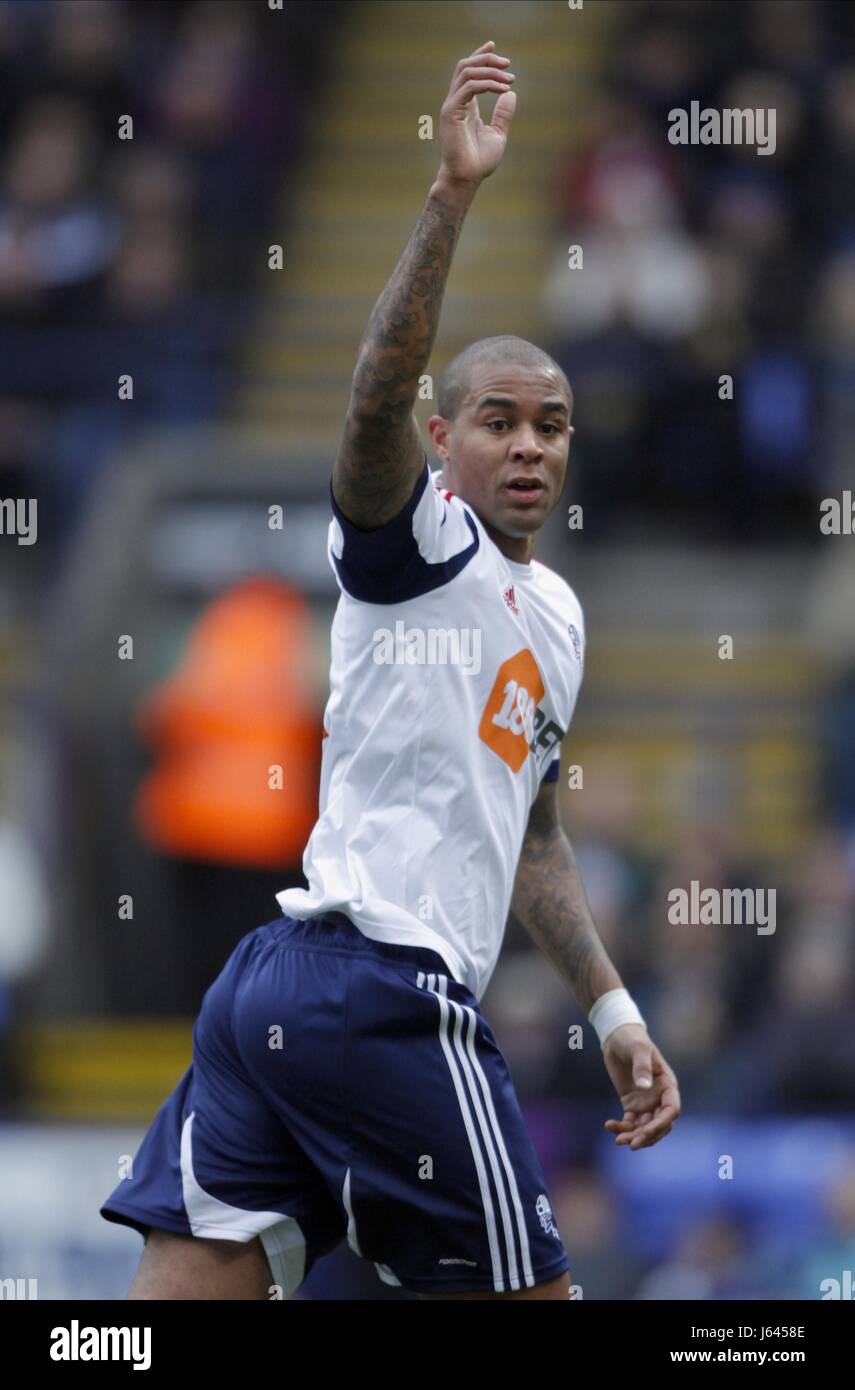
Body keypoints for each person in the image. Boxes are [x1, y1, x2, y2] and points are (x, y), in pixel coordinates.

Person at [100, 39, 681, 1301]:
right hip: (380, 987)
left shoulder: (560, 617)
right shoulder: (422, 543)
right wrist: (450, 197)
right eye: (498, 419)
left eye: (553, 424)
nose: (529, 446)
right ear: (442, 435)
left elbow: (532, 831)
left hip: (274, 997)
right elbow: (365, 414)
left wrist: (617, 1011)